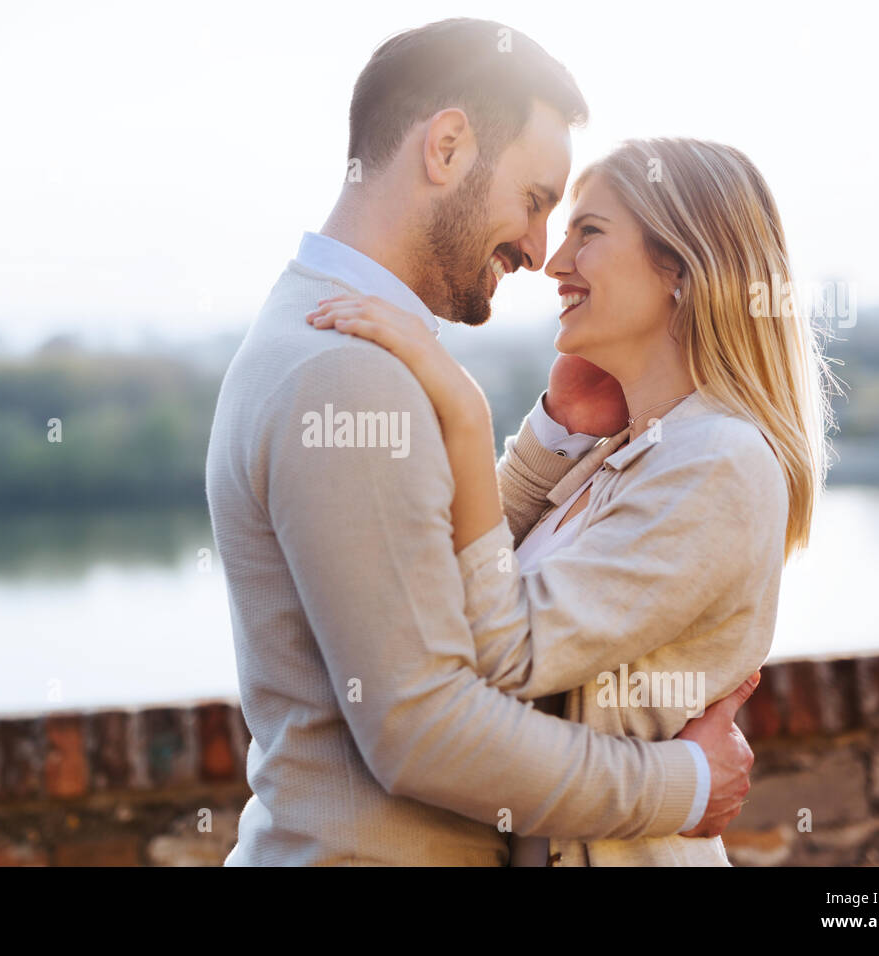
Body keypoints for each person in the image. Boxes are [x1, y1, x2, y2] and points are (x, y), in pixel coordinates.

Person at [206, 19, 759, 866]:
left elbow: (457, 600)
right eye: (535, 201)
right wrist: (680, 785)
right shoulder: (346, 373)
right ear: (447, 148)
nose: (539, 251)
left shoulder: (333, 342)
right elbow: (425, 730)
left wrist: (548, 442)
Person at [307, 136, 831, 864]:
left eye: (588, 232)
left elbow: (505, 648)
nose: (554, 263)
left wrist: (463, 410)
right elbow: (455, 588)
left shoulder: (720, 462)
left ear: (681, 268)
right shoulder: (624, 453)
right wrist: (554, 431)